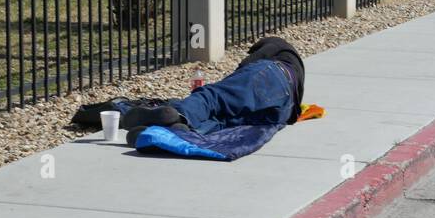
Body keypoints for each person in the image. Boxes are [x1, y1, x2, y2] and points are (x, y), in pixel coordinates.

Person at [117, 36, 306, 143]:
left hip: (273, 77)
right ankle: (177, 130)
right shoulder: (297, 71)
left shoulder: (277, 48)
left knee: (214, 97)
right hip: (282, 111)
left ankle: (179, 113)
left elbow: (246, 68)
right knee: (224, 121)